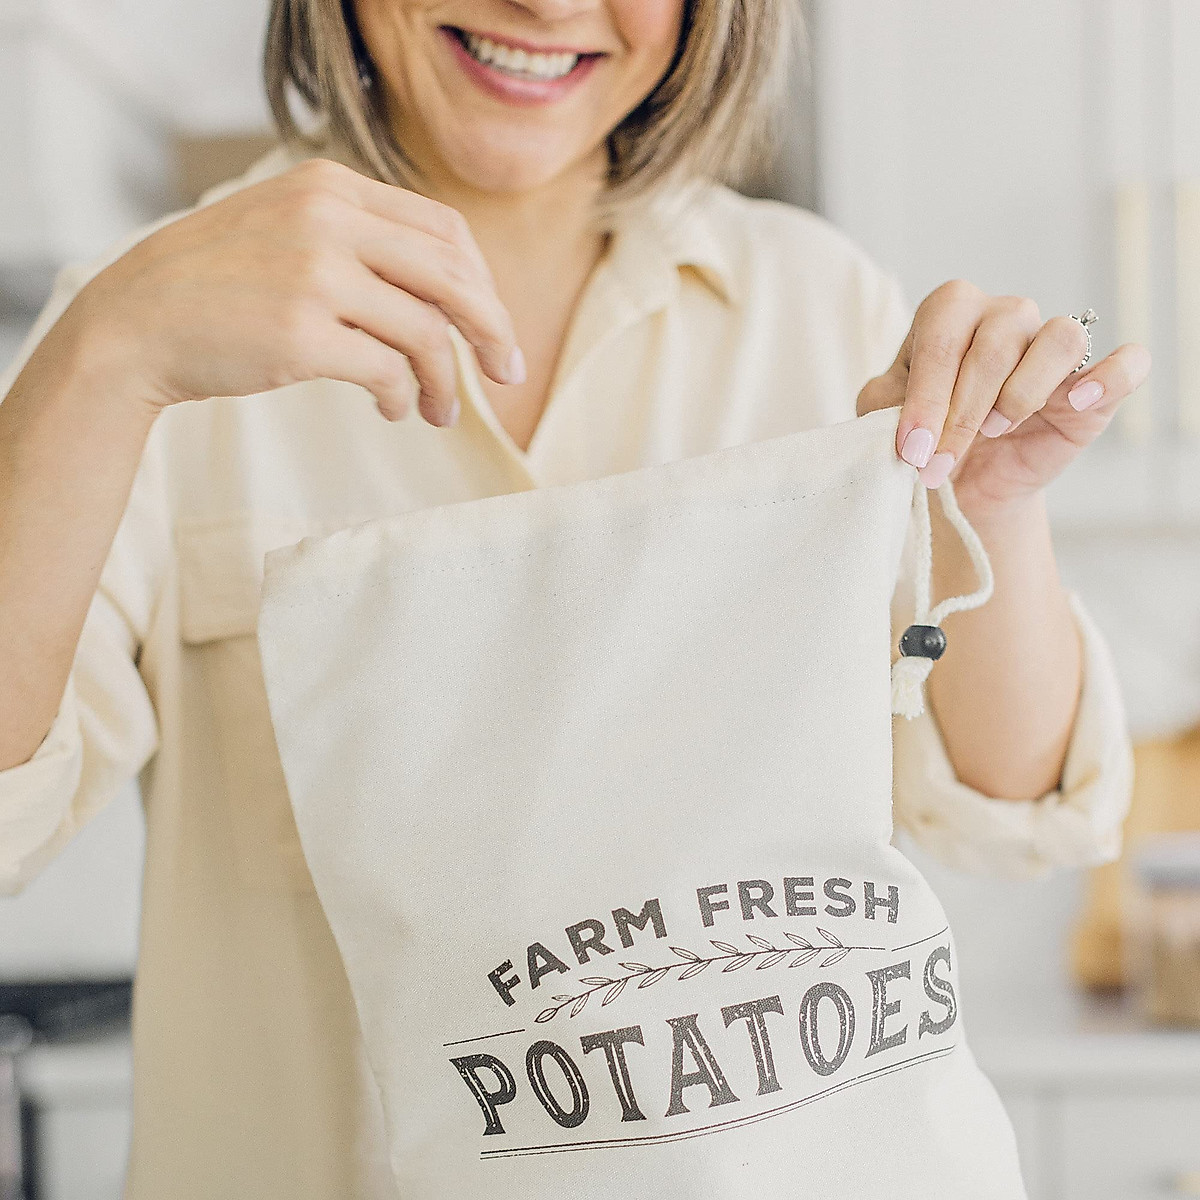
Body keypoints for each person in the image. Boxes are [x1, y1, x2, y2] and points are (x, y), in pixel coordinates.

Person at [0, 0, 1149, 1195]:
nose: (546, 6)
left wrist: (995, 508)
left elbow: (1013, 812)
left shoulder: (818, 305)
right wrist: (105, 357)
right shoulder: (142, 328)